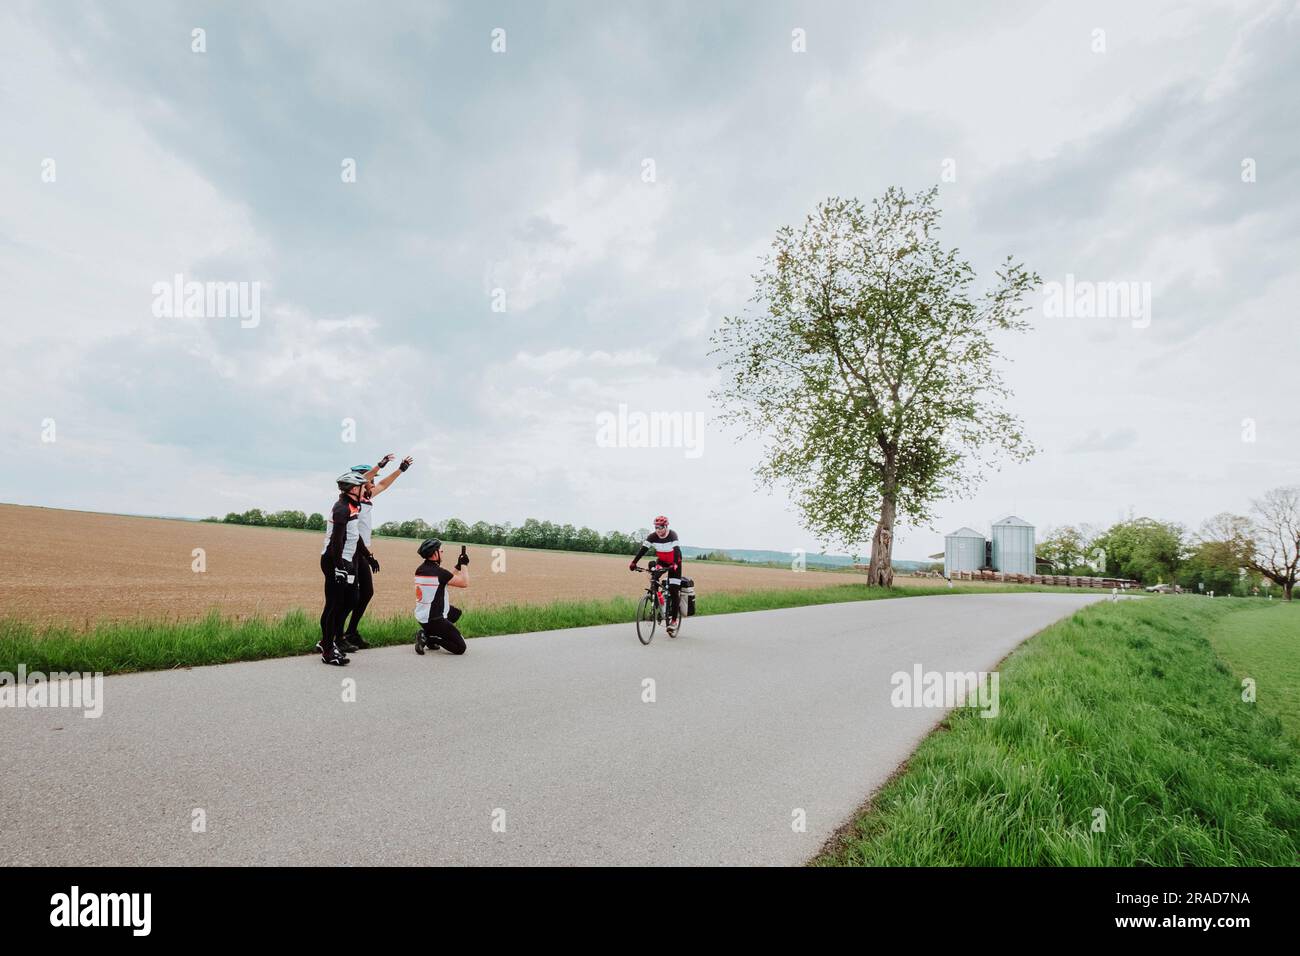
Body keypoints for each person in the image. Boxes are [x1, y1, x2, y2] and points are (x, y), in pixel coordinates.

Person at [341, 453, 414, 648]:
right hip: (351, 551)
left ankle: (351, 632)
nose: (373, 483)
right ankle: (336, 636)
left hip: (363, 552)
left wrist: (400, 470)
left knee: (366, 592)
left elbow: (384, 485)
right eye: (370, 480)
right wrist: (379, 465)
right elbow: (365, 478)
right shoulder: (351, 499)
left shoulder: (367, 496)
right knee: (349, 596)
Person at [317, 472, 365, 665]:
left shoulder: (353, 506)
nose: (365, 490)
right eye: (362, 487)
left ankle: (327, 641)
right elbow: (336, 541)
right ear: (354, 489)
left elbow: (354, 535)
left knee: (352, 599)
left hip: (347, 561)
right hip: (335, 560)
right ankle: (328, 649)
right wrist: (338, 567)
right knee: (333, 605)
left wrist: (368, 557)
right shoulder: (341, 508)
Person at [413, 539, 470, 656]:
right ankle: (430, 638)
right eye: (441, 550)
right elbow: (464, 583)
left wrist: (457, 566)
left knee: (455, 613)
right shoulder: (439, 573)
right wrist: (464, 564)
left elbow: (445, 579)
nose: (442, 552)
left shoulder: (420, 570)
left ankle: (427, 632)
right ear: (435, 554)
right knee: (460, 647)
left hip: (422, 616)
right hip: (435, 619)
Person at [629, 515, 683, 630]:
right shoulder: (653, 536)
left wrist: (675, 564)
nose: (658, 530)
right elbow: (643, 550)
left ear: (666, 526)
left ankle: (673, 621)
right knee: (653, 576)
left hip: (675, 563)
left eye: (661, 527)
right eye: (656, 527)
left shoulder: (672, 535)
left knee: (674, 590)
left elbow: (677, 551)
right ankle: (660, 601)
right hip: (662, 562)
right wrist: (634, 562)